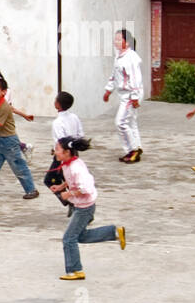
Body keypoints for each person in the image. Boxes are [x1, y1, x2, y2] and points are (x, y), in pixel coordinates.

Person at [49, 137, 125, 280]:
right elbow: (72, 180)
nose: (55, 152)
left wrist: (68, 194)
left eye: (58, 149)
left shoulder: (75, 167)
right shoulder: (68, 163)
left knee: (68, 239)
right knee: (81, 236)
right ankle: (113, 232)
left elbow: (86, 189)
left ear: (67, 152)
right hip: (81, 206)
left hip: (84, 208)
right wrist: (61, 187)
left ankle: (75, 270)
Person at [104, 29, 144, 163]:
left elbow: (135, 78)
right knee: (131, 121)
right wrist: (108, 90)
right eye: (115, 39)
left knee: (120, 122)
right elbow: (114, 75)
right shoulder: (119, 56)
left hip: (130, 94)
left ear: (126, 43)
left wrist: (135, 97)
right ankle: (137, 146)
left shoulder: (131, 58)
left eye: (118, 39)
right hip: (124, 94)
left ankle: (132, 150)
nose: (115, 41)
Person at [46, 92, 85, 205]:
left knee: (50, 179)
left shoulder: (57, 122)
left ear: (58, 104)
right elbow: (80, 134)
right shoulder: (74, 117)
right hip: (73, 152)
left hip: (62, 155)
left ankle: (71, 202)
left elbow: (60, 141)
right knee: (71, 179)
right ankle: (76, 202)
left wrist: (57, 151)